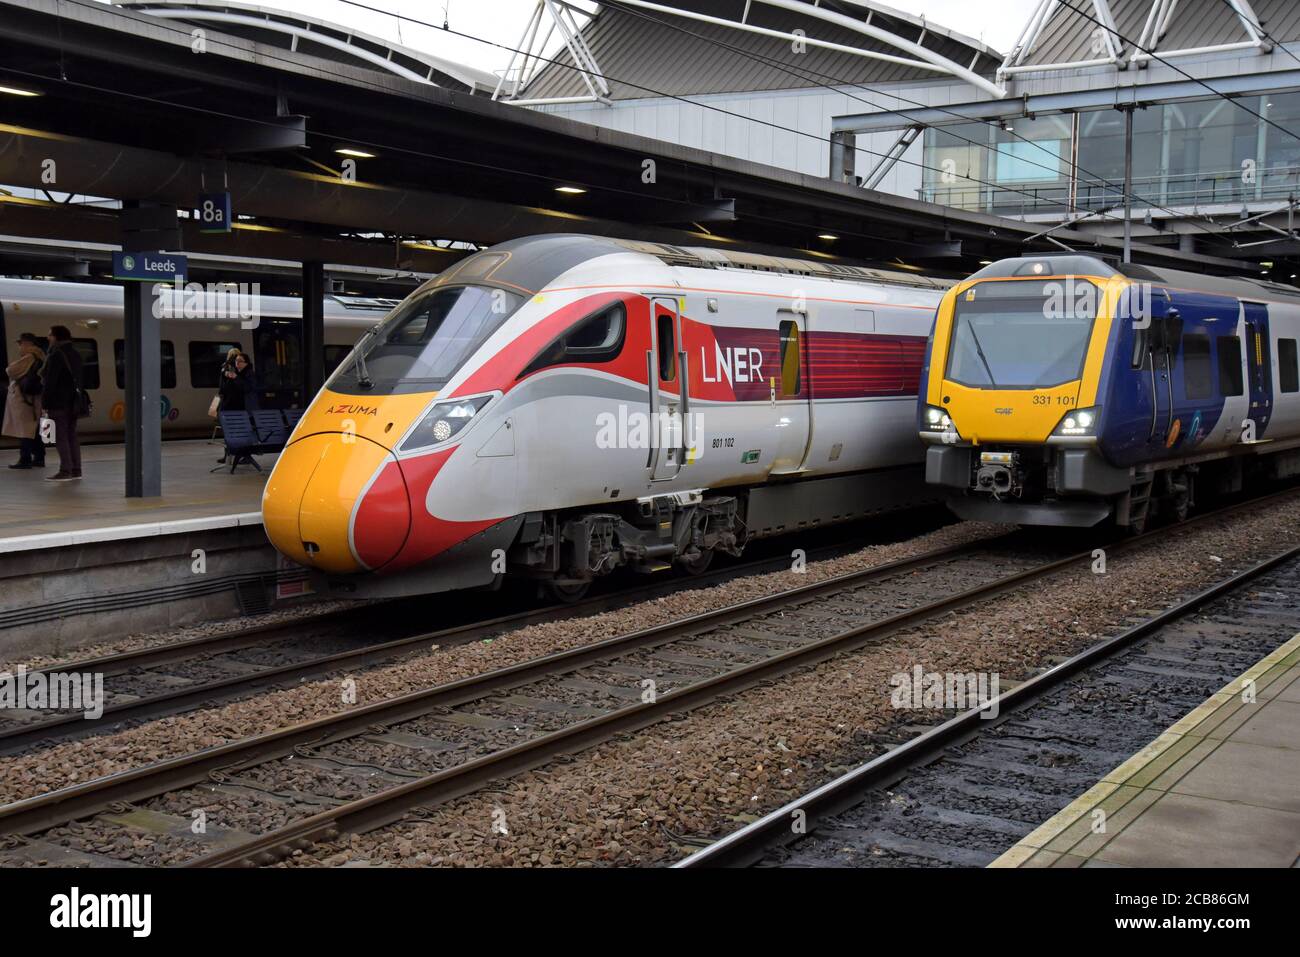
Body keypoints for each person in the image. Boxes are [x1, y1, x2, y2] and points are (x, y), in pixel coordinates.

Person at [42, 325, 84, 482]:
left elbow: (49, 383)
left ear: (57, 337)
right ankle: (76, 469)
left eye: (50, 335)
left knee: (60, 437)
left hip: (58, 403)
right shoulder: (75, 354)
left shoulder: (55, 355)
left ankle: (65, 470)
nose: (48, 338)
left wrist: (45, 402)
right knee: (72, 435)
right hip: (74, 403)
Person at [3, 332, 46, 469]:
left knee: (25, 429)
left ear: (27, 343)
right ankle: (39, 458)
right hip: (33, 399)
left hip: (26, 399)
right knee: (34, 429)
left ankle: (25, 458)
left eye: (20, 343)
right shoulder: (39, 356)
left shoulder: (30, 356)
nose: (19, 347)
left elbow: (10, 370)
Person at [216, 351, 259, 464]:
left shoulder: (248, 373)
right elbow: (224, 389)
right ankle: (231, 454)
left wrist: (235, 378)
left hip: (243, 409)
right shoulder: (234, 373)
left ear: (246, 363)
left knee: (241, 432)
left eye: (240, 361)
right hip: (232, 407)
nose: (237, 363)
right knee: (232, 432)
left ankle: (243, 455)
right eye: (236, 361)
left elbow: (248, 388)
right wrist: (226, 377)